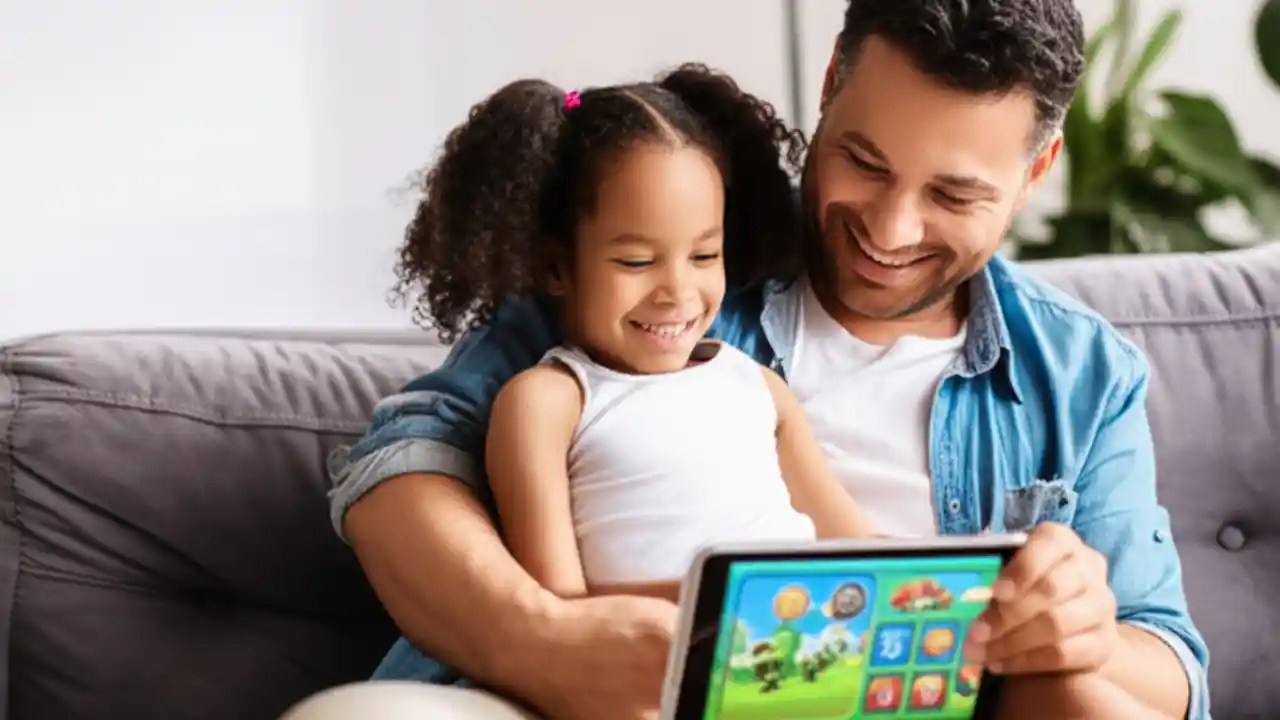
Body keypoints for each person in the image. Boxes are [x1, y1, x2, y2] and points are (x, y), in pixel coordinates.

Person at [308, 1, 1210, 719]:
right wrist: (544, 640)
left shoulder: (1082, 372)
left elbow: (1169, 670)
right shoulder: (662, 245)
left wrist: (1081, 629)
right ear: (829, 85)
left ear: (1036, 168)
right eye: (863, 160)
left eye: (952, 194)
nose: (890, 232)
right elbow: (398, 467)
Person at [377, 64, 881, 608]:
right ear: (555, 268)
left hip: (802, 647)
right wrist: (722, 602)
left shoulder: (757, 386)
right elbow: (557, 606)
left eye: (704, 256)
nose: (677, 290)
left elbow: (858, 548)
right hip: (644, 667)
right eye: (637, 261)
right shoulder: (546, 402)